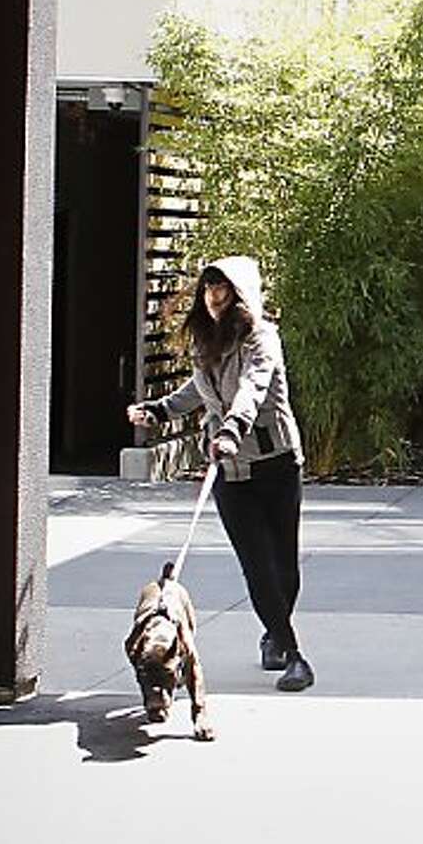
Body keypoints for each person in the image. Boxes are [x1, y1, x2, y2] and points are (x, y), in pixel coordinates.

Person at [129, 255, 313, 692]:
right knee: (257, 567)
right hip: (230, 472)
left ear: (240, 294)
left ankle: (273, 634)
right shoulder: (204, 340)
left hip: (276, 462)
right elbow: (199, 388)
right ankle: (294, 655)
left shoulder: (262, 338)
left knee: (284, 568)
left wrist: (232, 429)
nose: (213, 297)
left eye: (222, 289)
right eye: (208, 288)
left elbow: (254, 387)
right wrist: (160, 410)